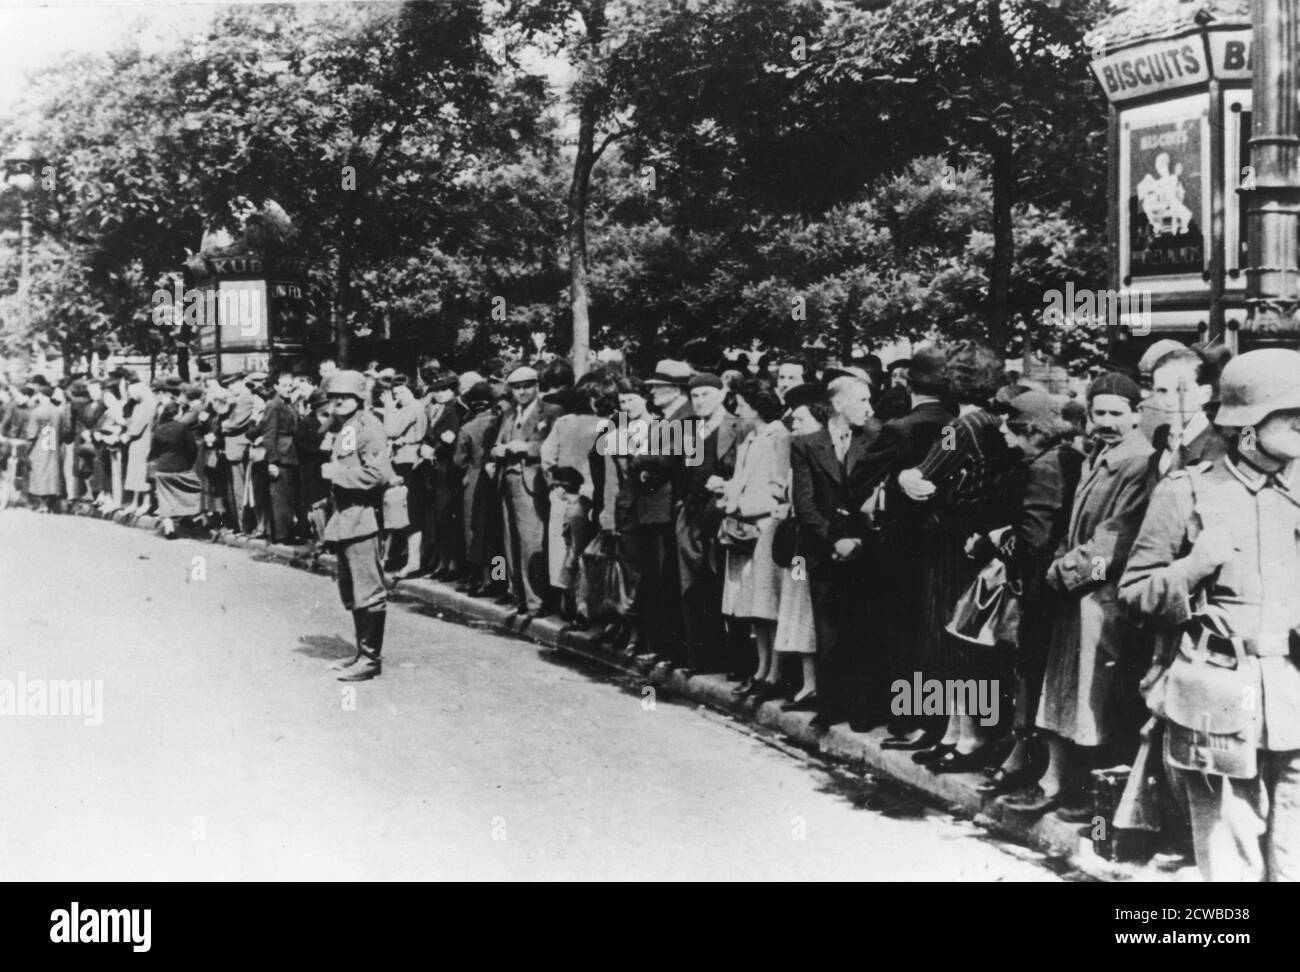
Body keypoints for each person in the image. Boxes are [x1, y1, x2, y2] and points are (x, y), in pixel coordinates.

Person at [1120, 349, 1300, 881]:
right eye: (1292, 416)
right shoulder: (1188, 490)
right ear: (1248, 424)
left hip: (1294, 690)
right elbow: (1134, 593)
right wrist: (1193, 568)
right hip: (1220, 691)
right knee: (1228, 847)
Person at [1003, 372, 1154, 815]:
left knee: (1095, 695)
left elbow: (1117, 541)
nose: (1106, 421)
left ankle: (1088, 791)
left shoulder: (1137, 464)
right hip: (1076, 596)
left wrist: (1065, 572)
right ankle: (1057, 781)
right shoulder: (1098, 456)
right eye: (1098, 412)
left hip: (1101, 599)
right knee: (1068, 691)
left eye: (1115, 413)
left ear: (1135, 415)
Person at [899, 341, 1020, 766]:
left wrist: (903, 477)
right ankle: (957, 731)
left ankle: (965, 736)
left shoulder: (960, 427)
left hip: (951, 540)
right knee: (969, 640)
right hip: (984, 540)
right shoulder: (995, 423)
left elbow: (922, 478)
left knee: (952, 639)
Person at [971, 392, 1084, 794]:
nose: (1003, 431)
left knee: (1029, 672)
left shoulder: (1043, 468)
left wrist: (993, 540)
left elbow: (1033, 539)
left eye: (1012, 427)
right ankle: (1024, 754)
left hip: (1036, 590)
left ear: (1033, 431)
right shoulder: (1064, 458)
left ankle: (1023, 758)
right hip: (1052, 589)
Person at [848, 345, 955, 745]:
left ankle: (905, 718)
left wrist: (889, 486)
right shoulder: (959, 423)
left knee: (901, 630)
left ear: (909, 386)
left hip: (901, 543)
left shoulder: (900, 428)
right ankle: (938, 720)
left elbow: (858, 480)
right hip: (948, 542)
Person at [790, 374, 879, 730]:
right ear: (839, 403)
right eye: (862, 402)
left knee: (861, 630)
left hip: (862, 548)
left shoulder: (873, 438)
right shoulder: (807, 444)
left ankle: (861, 708)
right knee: (827, 631)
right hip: (824, 550)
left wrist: (856, 540)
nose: (870, 409)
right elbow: (805, 503)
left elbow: (876, 490)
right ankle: (831, 705)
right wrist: (834, 540)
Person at [320, 369, 395, 682]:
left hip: (362, 517)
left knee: (368, 589)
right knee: (352, 589)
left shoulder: (368, 426)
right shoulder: (347, 427)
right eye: (334, 396)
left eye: (345, 397)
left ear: (359, 397)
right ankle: (362, 654)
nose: (337, 402)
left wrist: (335, 475)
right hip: (345, 516)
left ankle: (370, 659)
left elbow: (377, 475)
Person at [723, 380, 790, 699]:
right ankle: (761, 668)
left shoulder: (778, 435)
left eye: (741, 404)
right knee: (755, 606)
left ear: (755, 404)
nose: (736, 410)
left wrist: (744, 506)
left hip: (766, 526)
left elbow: (779, 487)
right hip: (747, 525)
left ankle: (774, 672)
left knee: (768, 604)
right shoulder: (752, 436)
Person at [675, 372, 743, 675]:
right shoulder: (690, 429)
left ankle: (732, 658)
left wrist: (726, 484)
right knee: (693, 584)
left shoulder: (737, 426)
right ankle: (700, 658)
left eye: (706, 395)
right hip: (691, 514)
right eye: (695, 396)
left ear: (720, 395)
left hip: (722, 512)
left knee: (722, 583)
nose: (700, 401)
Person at [492, 366, 560, 618]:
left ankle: (536, 601)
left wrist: (527, 447)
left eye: (526, 387)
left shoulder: (551, 412)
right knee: (511, 542)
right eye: (516, 388)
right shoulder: (509, 415)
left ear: (536, 387)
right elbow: (497, 443)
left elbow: (554, 446)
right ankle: (518, 596)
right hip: (507, 481)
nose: (520, 392)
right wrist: (497, 451)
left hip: (532, 484)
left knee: (532, 542)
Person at [541, 373, 608, 620]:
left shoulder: (565, 423)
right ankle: (591, 608)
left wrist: (552, 484)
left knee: (565, 550)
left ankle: (567, 605)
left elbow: (548, 457)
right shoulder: (609, 423)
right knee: (592, 553)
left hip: (565, 492)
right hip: (594, 495)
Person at [1144, 346, 1226, 484]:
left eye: (1181, 391)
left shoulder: (1218, 448)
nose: (1169, 401)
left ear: (1205, 394)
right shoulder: (1162, 434)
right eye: (1162, 391)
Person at [452, 381, 502, 597]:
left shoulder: (467, 428)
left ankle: (483, 579)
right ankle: (500, 579)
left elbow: (458, 461)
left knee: (476, 533)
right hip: (498, 480)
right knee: (497, 533)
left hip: (474, 481)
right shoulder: (500, 422)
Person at [383, 375, 429, 577]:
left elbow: (391, 430)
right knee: (403, 512)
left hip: (410, 461)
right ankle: (403, 558)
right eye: (395, 394)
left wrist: (388, 408)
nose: (398, 397)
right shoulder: (407, 408)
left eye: (402, 392)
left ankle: (414, 561)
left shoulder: (414, 408)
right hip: (402, 460)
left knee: (411, 513)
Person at [421, 371, 463, 579]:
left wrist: (434, 449)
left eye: (444, 389)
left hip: (448, 467)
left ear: (453, 390)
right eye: (436, 390)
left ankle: (452, 564)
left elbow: (452, 438)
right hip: (434, 467)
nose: (439, 393)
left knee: (447, 516)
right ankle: (441, 561)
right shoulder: (436, 410)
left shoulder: (456, 409)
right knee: (436, 516)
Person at [252, 371, 300, 544]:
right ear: (276, 386)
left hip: (289, 453)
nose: (288, 389)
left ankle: (285, 532)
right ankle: (281, 535)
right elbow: (269, 434)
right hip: (280, 455)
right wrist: (271, 461)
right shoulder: (275, 405)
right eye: (284, 385)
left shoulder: (288, 404)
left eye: (290, 386)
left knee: (287, 495)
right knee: (280, 496)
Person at [147, 400, 203, 538]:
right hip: (180, 468)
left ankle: (169, 529)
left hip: (162, 469)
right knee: (193, 490)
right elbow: (192, 449)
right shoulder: (183, 427)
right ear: (178, 413)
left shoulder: (159, 428)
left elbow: (154, 451)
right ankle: (187, 518)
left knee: (164, 498)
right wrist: (189, 463)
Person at [24, 383, 62, 512]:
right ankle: (50, 503)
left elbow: (31, 434)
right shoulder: (57, 411)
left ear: (41, 395)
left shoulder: (37, 411)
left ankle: (41, 503)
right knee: (52, 471)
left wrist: (27, 450)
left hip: (41, 444)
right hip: (54, 444)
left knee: (39, 471)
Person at [122, 379, 157, 515]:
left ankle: (146, 502)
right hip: (137, 442)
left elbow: (137, 427)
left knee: (142, 473)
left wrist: (128, 434)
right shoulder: (140, 404)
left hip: (144, 441)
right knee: (135, 473)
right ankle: (135, 502)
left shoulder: (148, 405)